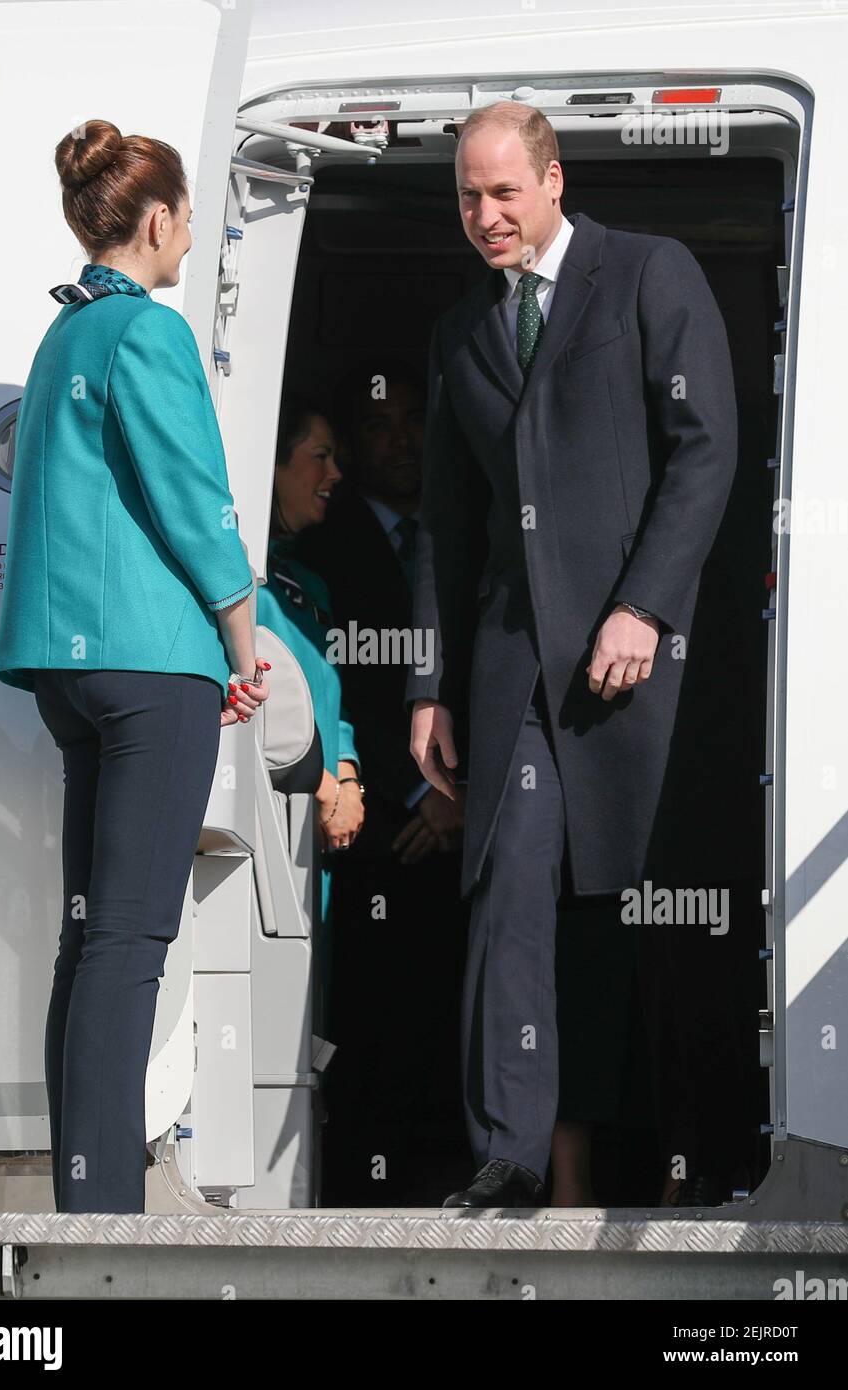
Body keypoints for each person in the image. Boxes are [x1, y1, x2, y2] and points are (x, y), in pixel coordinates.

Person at [406, 101, 737, 1209]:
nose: (484, 214)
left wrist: (641, 604)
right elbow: (443, 524)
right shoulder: (460, 331)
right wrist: (425, 685)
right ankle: (507, 1152)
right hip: (514, 667)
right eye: (466, 195)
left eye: (503, 191)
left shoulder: (648, 272)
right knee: (508, 891)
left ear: (553, 180)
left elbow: (704, 451)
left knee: (657, 915)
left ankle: (712, 1160)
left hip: (650, 671)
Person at [0, 119, 269, 1215]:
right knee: (131, 936)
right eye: (191, 218)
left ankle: (86, 1187)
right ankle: (103, 1204)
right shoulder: (146, 335)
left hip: (68, 674)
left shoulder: (60, 336)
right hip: (151, 665)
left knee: (89, 936)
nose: (192, 239)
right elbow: (194, 499)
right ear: (155, 221)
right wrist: (241, 647)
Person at [295, 360, 469, 1204]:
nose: (399, 441)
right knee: (372, 1029)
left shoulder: (471, 529)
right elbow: (341, 685)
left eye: (412, 421)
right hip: (370, 833)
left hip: (476, 825)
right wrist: (415, 795)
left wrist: (464, 801)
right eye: (376, 427)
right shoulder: (316, 546)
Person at [256, 395, 364, 953]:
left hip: (320, 820)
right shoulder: (240, 581)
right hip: (272, 820)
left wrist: (346, 779)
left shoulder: (309, 585)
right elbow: (246, 703)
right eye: (319, 455)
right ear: (271, 463)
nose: (334, 473)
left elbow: (334, 699)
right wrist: (322, 787)